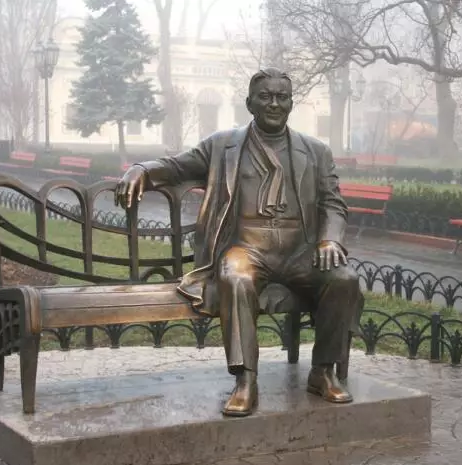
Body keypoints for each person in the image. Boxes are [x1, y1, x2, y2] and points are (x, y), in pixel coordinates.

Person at [115, 68, 363, 417]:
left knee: (344, 279)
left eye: (282, 97)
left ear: (291, 103)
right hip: (247, 247)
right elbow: (176, 166)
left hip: (299, 252)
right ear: (249, 103)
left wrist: (328, 241)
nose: (274, 103)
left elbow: (333, 202)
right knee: (235, 275)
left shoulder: (316, 151)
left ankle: (322, 372)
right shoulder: (223, 145)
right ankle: (246, 379)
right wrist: (140, 169)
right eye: (265, 96)